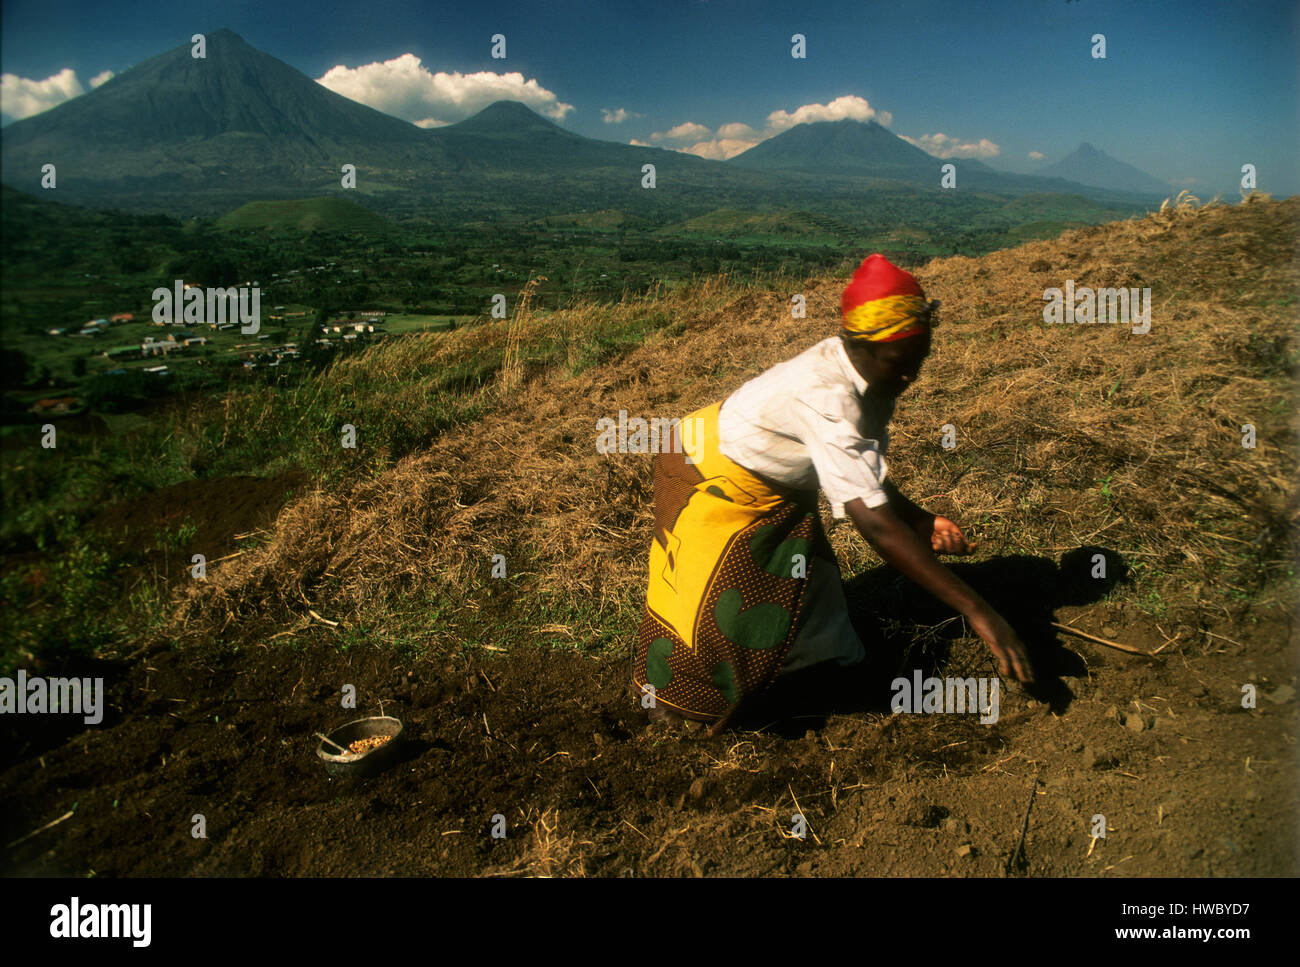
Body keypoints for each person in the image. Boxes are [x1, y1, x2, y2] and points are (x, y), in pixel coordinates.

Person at [632, 253, 1034, 732]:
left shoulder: (872, 377)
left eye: (918, 359)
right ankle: (672, 705)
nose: (911, 374)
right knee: (705, 600)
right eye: (899, 362)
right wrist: (978, 611)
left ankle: (826, 670)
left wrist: (919, 519)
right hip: (707, 472)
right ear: (860, 345)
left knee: (808, 579)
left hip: (772, 482)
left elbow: (863, 473)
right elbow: (873, 522)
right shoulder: (828, 397)